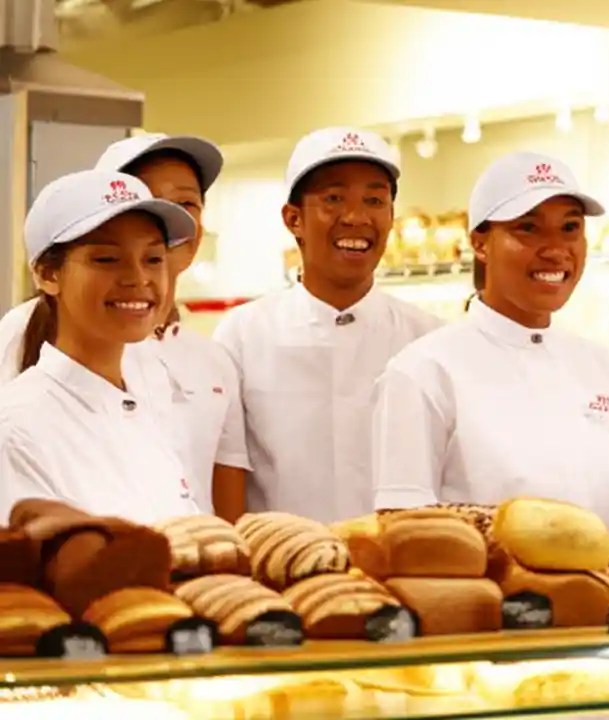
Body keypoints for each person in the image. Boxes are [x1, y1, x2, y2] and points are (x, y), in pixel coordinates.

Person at [371, 151, 609, 548]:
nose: (555, 249)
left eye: (570, 227)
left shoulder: (604, 364)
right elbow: (403, 532)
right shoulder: (423, 371)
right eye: (528, 228)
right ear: (480, 243)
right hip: (490, 591)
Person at [214, 127, 444, 524]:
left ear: (391, 217)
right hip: (278, 558)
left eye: (374, 200)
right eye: (334, 198)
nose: (355, 217)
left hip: (397, 558)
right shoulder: (242, 335)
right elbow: (228, 466)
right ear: (294, 219)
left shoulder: (429, 339)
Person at [0, 169, 199, 523]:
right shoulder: (16, 429)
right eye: (107, 259)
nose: (138, 278)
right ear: (47, 274)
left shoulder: (142, 413)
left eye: (153, 259)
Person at [95, 134, 252, 520]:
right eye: (148, 203)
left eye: (186, 205)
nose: (170, 221)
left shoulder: (214, 360)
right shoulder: (34, 333)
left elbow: (226, 505)